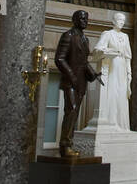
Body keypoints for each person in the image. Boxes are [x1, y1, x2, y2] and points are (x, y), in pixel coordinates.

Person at [55, 9, 98, 156]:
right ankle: (64, 146)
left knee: (75, 113)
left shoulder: (85, 39)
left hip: (81, 82)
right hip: (70, 81)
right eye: (82, 19)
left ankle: (69, 144)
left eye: (86, 19)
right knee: (71, 110)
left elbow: (84, 62)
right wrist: (71, 75)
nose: (85, 21)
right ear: (74, 20)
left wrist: (93, 74)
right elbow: (59, 58)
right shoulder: (68, 36)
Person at [91, 12, 132, 131]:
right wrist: (108, 51)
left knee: (122, 96)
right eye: (119, 19)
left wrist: (129, 75)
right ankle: (111, 123)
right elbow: (97, 50)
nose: (121, 22)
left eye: (123, 20)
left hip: (122, 68)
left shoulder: (125, 36)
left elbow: (128, 57)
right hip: (112, 68)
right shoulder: (107, 34)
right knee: (113, 94)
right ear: (113, 21)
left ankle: (121, 125)